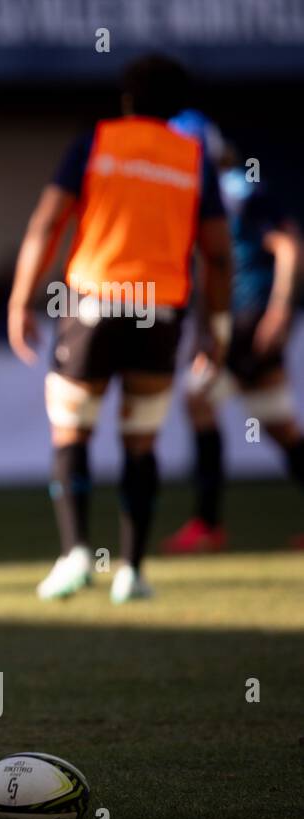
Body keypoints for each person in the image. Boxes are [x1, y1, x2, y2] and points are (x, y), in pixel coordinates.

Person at [8, 55, 231, 603]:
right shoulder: (193, 157)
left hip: (94, 301)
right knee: (141, 441)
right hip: (161, 310)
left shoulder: (96, 141)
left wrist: (21, 298)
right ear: (178, 107)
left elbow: (47, 221)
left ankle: (76, 555)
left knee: (72, 430)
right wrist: (216, 328)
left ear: (126, 99)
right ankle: (131, 570)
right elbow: (219, 254)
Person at [162, 115, 304, 553]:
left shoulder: (235, 189)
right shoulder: (207, 192)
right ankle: (207, 523)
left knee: (198, 398)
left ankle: (208, 523)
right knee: (277, 423)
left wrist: (279, 309)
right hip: (240, 317)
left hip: (248, 317)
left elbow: (288, 245)